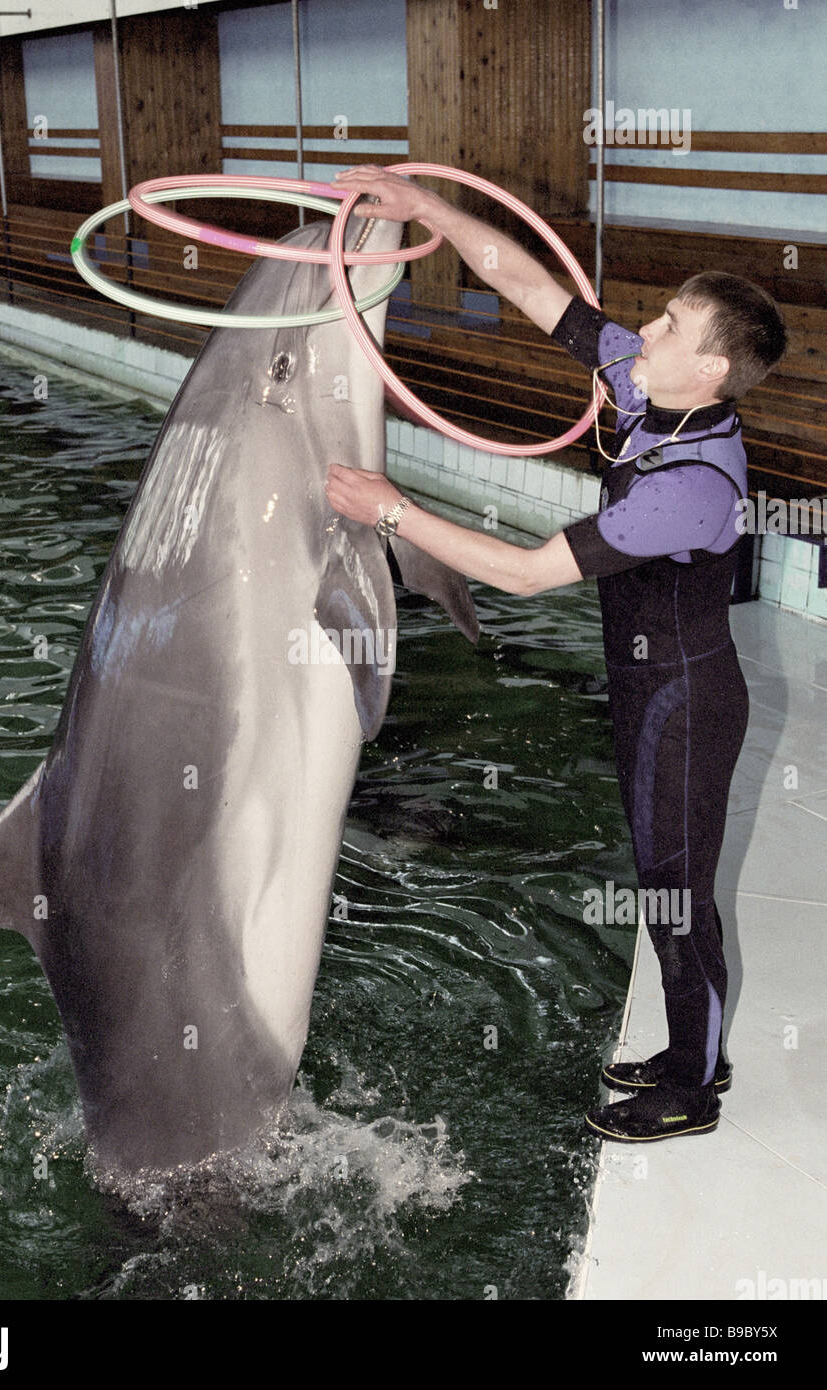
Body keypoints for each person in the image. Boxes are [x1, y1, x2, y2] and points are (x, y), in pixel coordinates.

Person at [326, 165, 788, 1143]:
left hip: (684, 700)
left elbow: (529, 573)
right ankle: (686, 1046)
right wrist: (429, 209)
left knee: (673, 892)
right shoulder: (653, 388)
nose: (641, 333)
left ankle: (692, 1089)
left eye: (666, 328)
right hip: (646, 680)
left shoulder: (692, 486)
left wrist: (393, 510)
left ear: (708, 370)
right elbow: (539, 293)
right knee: (669, 881)